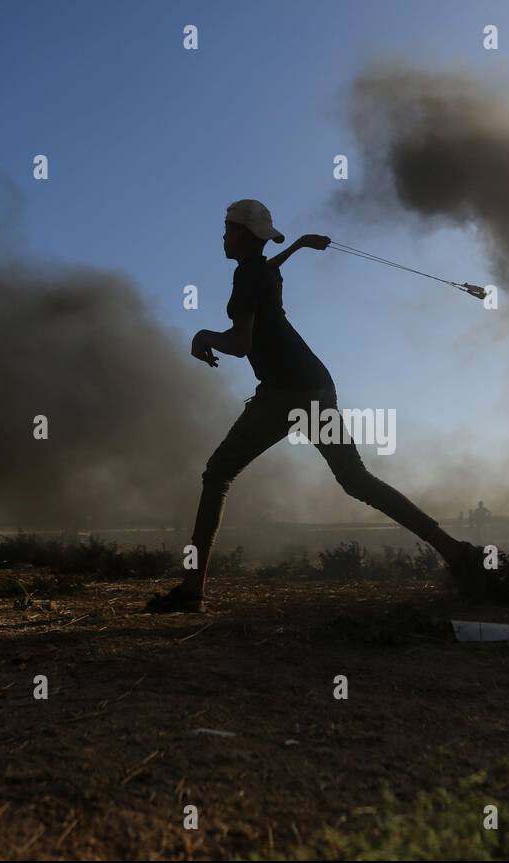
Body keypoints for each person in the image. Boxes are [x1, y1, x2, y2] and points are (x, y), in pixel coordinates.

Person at [147, 199, 483, 612]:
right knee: (357, 480)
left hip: (284, 395)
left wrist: (203, 335)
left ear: (241, 234)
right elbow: (269, 269)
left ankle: (191, 591)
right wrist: (299, 246)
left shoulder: (247, 276)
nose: (222, 235)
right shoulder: (263, 274)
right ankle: (456, 552)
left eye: (227, 228)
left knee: (217, 474)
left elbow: (241, 344)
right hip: (316, 387)